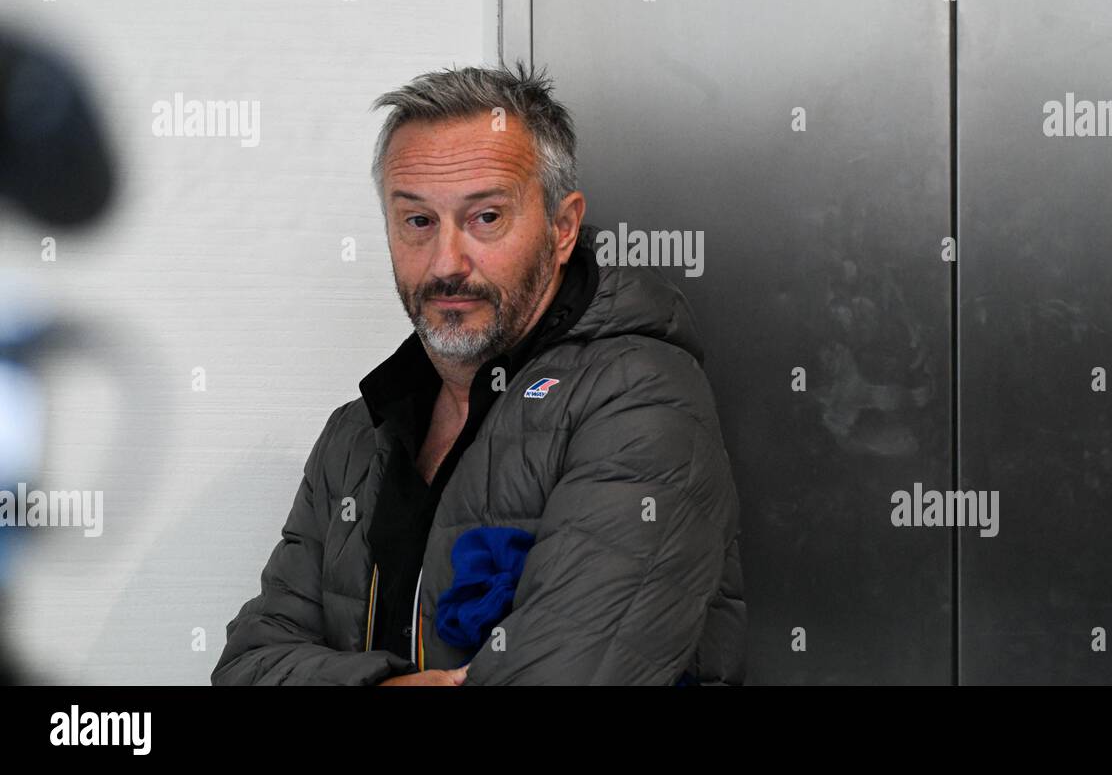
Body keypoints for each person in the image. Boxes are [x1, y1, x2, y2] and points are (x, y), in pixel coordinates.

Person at [211, 62, 745, 685]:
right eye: (418, 221)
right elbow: (246, 667)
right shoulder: (358, 435)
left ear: (563, 227)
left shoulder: (641, 402)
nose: (446, 262)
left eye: (486, 217)